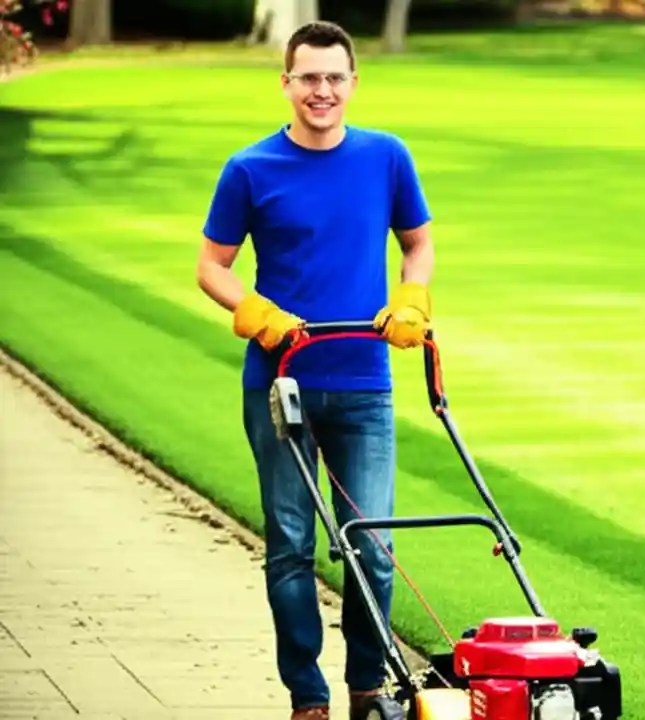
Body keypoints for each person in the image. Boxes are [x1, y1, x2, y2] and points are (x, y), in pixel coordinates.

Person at [195, 20, 434, 720]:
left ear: (353, 83)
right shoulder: (249, 169)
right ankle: (308, 697)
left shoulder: (387, 157)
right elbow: (212, 266)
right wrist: (258, 312)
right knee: (292, 546)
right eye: (309, 78)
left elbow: (417, 245)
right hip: (281, 386)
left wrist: (411, 300)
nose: (321, 91)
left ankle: (368, 684)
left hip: (364, 379)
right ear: (287, 84)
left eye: (334, 78)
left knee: (375, 548)